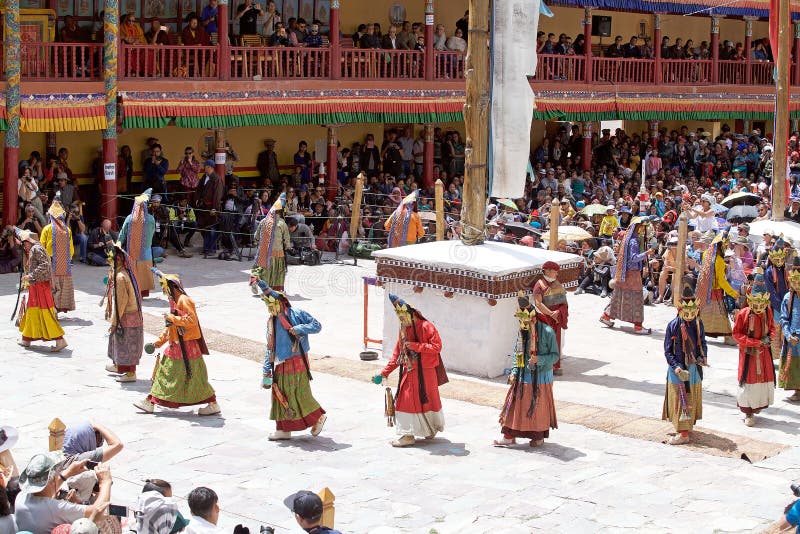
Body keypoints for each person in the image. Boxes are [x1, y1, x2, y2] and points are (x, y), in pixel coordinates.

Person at [135, 270, 220, 416]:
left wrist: (172, 318)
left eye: (164, 288)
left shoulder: (184, 301)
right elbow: (170, 327)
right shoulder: (175, 301)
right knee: (183, 376)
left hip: (186, 347)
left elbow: (191, 321)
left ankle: (150, 401)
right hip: (177, 346)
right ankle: (212, 403)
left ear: (171, 287)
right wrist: (158, 342)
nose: (164, 292)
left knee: (170, 375)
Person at [372, 295, 447, 447]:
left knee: (427, 401)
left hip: (427, 373)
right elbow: (396, 355)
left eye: (404, 316)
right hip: (410, 372)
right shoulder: (403, 331)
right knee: (405, 401)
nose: (402, 319)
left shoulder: (427, 326)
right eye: (399, 317)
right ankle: (408, 434)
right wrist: (384, 372)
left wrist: (416, 346)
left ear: (412, 313)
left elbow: (436, 347)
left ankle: (427, 429)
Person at [259, 284, 326, 441]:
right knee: (280, 395)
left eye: (272, 304)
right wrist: (266, 371)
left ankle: (318, 417)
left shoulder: (297, 313)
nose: (270, 308)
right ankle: (283, 430)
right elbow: (270, 347)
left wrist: (299, 328)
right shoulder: (271, 322)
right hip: (281, 362)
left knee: (298, 393)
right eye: (268, 305)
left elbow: (317, 326)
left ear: (281, 301)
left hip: (297, 361)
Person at [493, 291, 559, 448]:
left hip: (541, 377)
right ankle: (509, 436)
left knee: (537, 408)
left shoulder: (548, 332)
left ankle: (538, 437)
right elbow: (518, 352)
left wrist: (540, 360)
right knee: (514, 405)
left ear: (534, 318)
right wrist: (515, 371)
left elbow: (555, 356)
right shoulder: (522, 332)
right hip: (522, 376)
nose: (524, 324)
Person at [13, 452, 110, 532]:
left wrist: (67, 474)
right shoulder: (54, 508)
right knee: (107, 520)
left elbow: (47, 488)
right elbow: (98, 510)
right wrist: (105, 481)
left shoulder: (20, 498)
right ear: (52, 481)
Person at [662, 287, 707, 445]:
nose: (689, 317)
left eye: (692, 313)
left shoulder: (698, 323)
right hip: (678, 370)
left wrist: (702, 357)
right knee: (680, 400)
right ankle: (683, 431)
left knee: (689, 399)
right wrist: (676, 367)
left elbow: (702, 342)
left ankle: (684, 433)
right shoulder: (673, 326)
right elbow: (668, 351)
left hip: (693, 368)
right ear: (680, 310)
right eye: (686, 313)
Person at [732, 272, 776, 427]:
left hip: (764, 354)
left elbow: (772, 328)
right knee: (748, 381)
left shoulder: (767, 312)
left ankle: (757, 406)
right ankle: (748, 412)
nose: (759, 308)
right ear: (750, 301)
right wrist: (754, 342)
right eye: (755, 304)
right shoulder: (743, 314)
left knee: (763, 381)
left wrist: (770, 337)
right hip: (748, 354)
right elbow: (736, 334)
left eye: (761, 304)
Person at [15, 228, 68, 352]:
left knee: (45, 313)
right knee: (32, 312)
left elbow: (45, 265)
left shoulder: (36, 249)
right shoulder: (35, 248)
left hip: (41, 287)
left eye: (23, 244)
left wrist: (31, 276)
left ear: (27, 241)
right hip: (36, 286)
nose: (24, 247)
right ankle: (26, 338)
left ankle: (60, 340)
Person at [600, 217, 655, 334]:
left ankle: (606, 316)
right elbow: (634, 258)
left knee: (618, 295)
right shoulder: (633, 241)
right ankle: (638, 326)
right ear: (638, 227)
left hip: (624, 273)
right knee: (637, 298)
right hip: (633, 274)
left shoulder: (627, 239)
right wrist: (647, 253)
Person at [104, 243, 144, 382]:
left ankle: (131, 374)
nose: (109, 262)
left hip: (127, 316)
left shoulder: (121, 277)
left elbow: (121, 303)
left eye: (111, 260)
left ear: (118, 260)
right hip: (131, 315)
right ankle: (119, 366)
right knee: (119, 342)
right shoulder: (123, 273)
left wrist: (115, 322)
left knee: (128, 344)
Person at [696, 231, 738, 338]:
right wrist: (733, 293)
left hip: (703, 290)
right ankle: (728, 337)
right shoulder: (718, 260)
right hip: (715, 292)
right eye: (726, 245)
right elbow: (721, 281)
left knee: (703, 314)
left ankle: (698, 332)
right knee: (721, 316)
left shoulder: (706, 254)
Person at [39, 198, 76, 313]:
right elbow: (71, 250)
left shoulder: (47, 229)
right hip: (64, 263)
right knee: (62, 286)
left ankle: (52, 307)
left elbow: (41, 246)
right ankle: (59, 307)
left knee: (52, 286)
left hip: (51, 261)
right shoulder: (67, 230)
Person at [118, 189, 157, 297]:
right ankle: (143, 294)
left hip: (132, 254)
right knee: (144, 276)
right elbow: (152, 233)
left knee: (133, 276)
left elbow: (122, 235)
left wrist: (118, 245)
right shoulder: (151, 219)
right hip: (146, 254)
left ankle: (134, 294)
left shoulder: (129, 219)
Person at [532, 261, 568, 375]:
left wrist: (558, 312)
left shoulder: (557, 283)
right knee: (545, 342)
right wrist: (551, 313)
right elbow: (538, 303)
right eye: (554, 272)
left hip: (557, 318)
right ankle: (546, 366)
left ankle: (555, 365)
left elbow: (564, 302)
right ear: (547, 271)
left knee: (555, 341)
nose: (556, 275)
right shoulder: (539, 285)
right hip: (545, 319)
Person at [252, 194, 290, 292]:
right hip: (277, 252)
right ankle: (274, 290)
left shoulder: (263, 220)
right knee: (277, 272)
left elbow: (255, 237)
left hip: (263, 250)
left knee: (261, 269)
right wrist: (288, 246)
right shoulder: (282, 223)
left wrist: (257, 242)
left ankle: (255, 281)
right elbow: (287, 240)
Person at [765, 239, 790, 363]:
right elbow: (771, 292)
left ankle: (784, 357)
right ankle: (773, 356)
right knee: (776, 331)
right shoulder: (769, 272)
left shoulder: (785, 271)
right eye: (777, 259)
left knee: (785, 332)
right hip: (776, 306)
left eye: (782, 259)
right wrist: (781, 306)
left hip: (786, 305)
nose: (779, 261)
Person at [780, 258, 800, 402]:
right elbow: (784, 319)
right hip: (792, 339)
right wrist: (787, 335)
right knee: (793, 365)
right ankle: (797, 390)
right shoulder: (788, 298)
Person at [195, 160, 224, 256]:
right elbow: (199, 189)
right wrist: (197, 199)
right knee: (204, 228)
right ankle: (206, 247)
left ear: (210, 167)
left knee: (212, 228)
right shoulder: (204, 177)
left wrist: (215, 208)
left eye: (206, 166)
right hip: (203, 206)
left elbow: (217, 195)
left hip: (211, 207)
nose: (204, 168)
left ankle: (211, 248)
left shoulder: (216, 179)